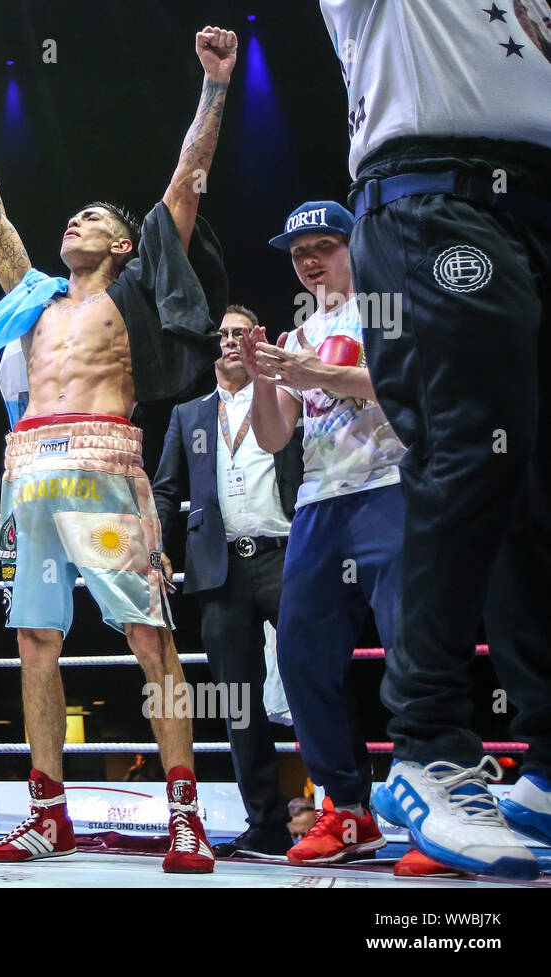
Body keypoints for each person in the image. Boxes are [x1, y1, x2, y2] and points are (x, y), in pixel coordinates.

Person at [0, 27, 237, 872]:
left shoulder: (141, 286)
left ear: (122, 242)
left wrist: (215, 87)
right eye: (72, 214)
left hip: (106, 466)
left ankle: (186, 814)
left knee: (147, 635)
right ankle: (49, 813)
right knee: (34, 639)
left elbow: (187, 180)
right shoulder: (35, 300)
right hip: (29, 472)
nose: (74, 219)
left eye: (94, 217)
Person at [318, 0, 551, 880]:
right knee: (473, 455)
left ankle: (548, 765)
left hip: (539, 202)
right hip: (434, 196)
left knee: (531, 481)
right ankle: (428, 747)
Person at [240, 199, 405, 866]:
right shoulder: (299, 335)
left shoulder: (390, 307)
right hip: (317, 503)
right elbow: (276, 434)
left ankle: (432, 801)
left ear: (353, 246)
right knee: (301, 657)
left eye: (323, 246)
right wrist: (262, 377)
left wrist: (321, 376)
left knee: (412, 652)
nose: (310, 259)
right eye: (298, 251)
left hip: (391, 492)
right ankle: (347, 808)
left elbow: (411, 386)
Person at [152, 306, 303, 860]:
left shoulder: (288, 397)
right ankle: (264, 822)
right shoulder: (189, 414)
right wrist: (159, 550)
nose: (231, 341)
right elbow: (166, 490)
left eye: (242, 332)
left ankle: (343, 812)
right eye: (224, 334)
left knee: (314, 685)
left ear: (258, 342)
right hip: (219, 570)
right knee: (239, 703)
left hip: (287, 557)